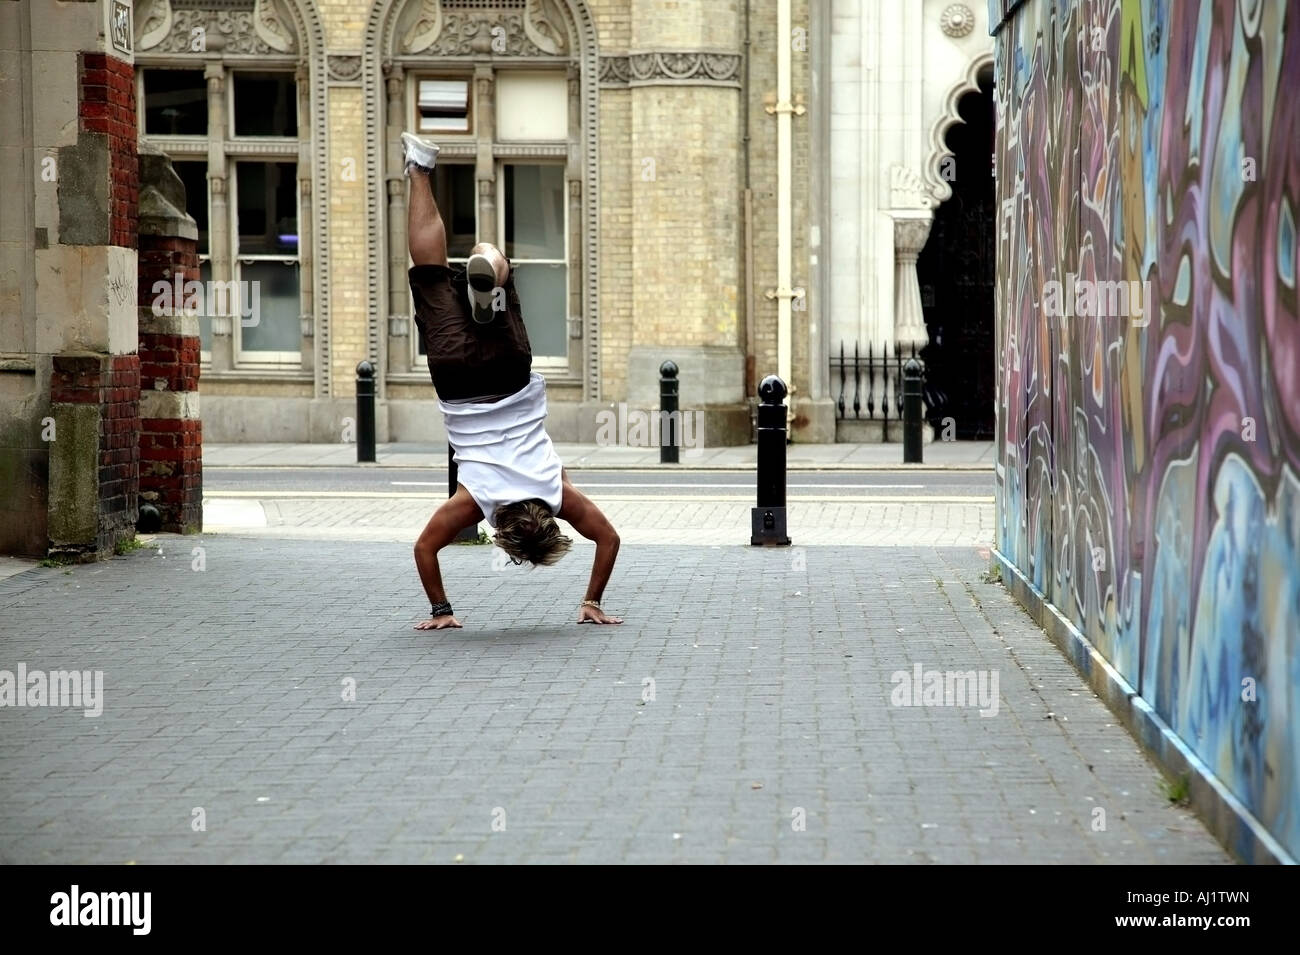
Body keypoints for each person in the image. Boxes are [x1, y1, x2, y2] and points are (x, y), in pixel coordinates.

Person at [401, 133, 623, 630]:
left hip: (511, 370)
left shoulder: (554, 489)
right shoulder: (477, 499)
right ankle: (418, 166)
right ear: (499, 530)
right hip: (455, 376)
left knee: (491, 255)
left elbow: (608, 539)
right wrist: (442, 610)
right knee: (430, 273)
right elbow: (424, 547)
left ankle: (490, 271)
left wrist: (594, 599)